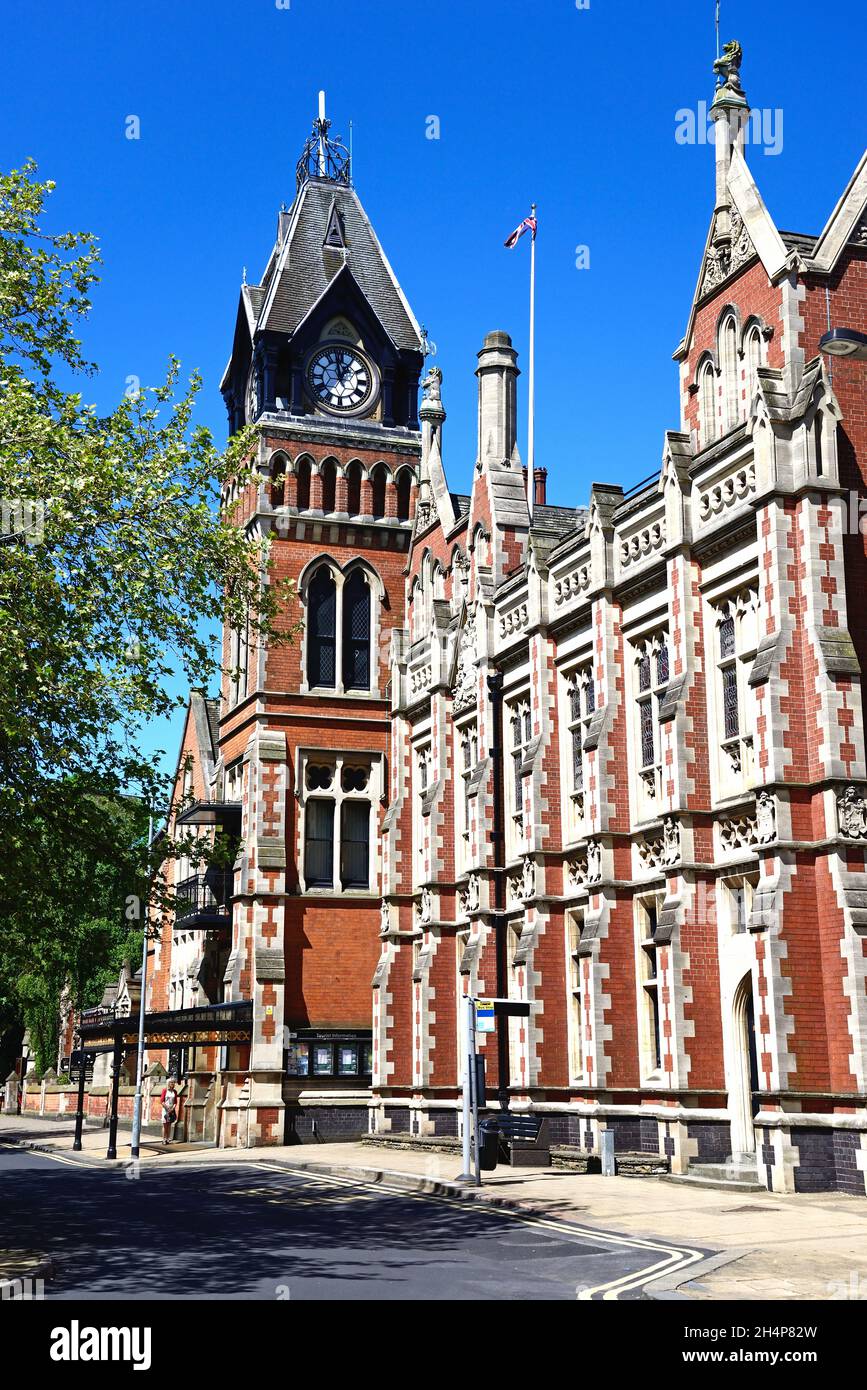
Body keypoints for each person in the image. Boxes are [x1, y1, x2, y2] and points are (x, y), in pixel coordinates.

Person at [160, 1077, 178, 1143]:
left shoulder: (175, 1091)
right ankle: (164, 1139)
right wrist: (167, 1108)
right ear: (168, 1083)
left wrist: (173, 1108)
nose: (173, 1084)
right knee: (165, 1124)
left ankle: (168, 1138)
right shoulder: (164, 1090)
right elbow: (162, 1101)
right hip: (165, 1109)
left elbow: (175, 1102)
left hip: (171, 1110)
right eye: (171, 1082)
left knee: (169, 1124)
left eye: (173, 1082)